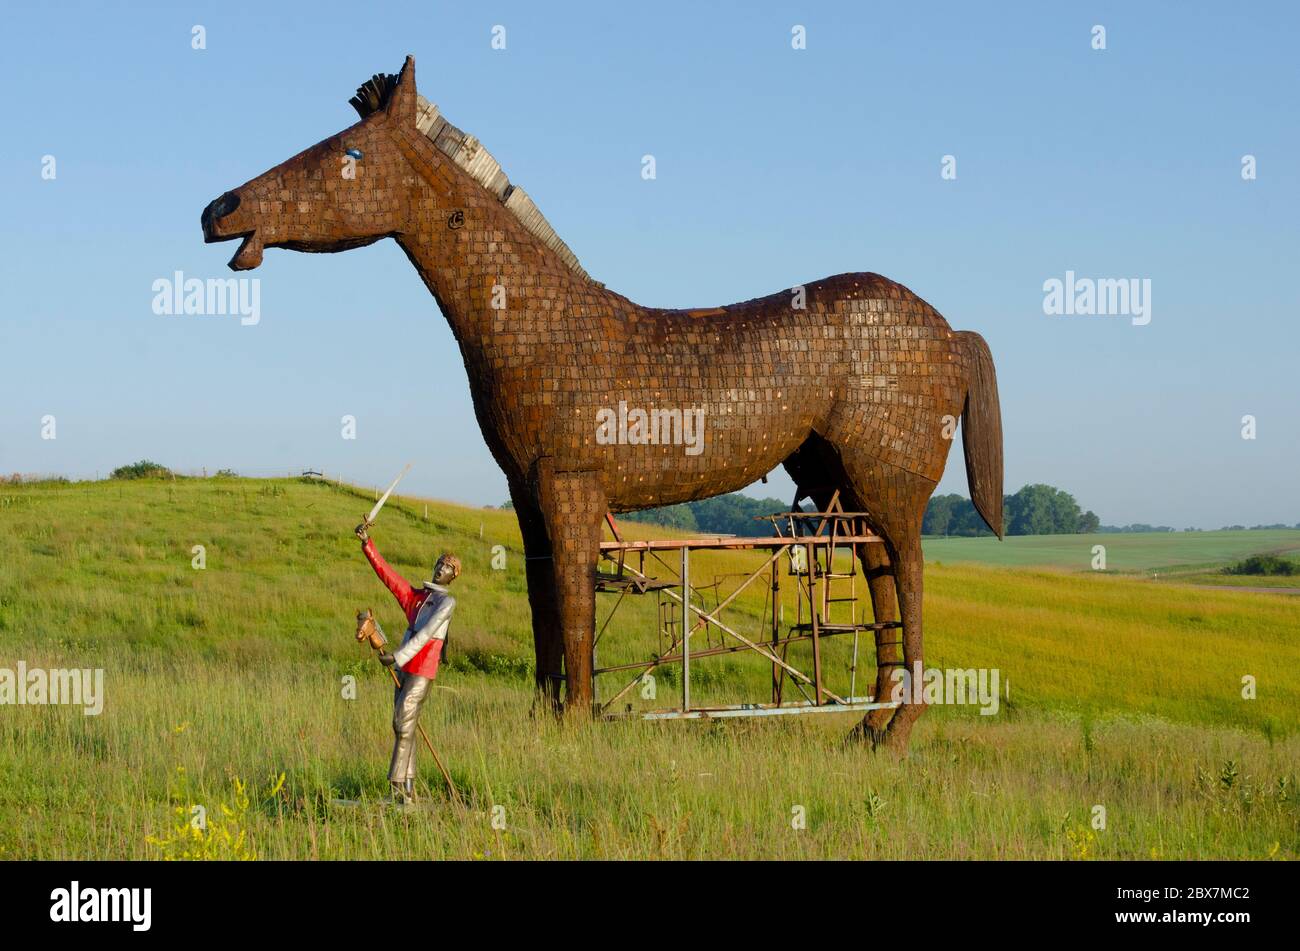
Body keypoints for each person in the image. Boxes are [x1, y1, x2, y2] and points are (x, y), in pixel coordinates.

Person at [355, 521, 459, 803]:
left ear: (453, 577)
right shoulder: (417, 598)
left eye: (448, 568)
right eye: (440, 564)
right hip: (405, 667)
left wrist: (397, 656)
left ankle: (397, 786)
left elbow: (426, 635)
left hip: (422, 670)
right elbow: (388, 576)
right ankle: (408, 792)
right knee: (407, 727)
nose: (442, 569)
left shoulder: (445, 604)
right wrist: (368, 544)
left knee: (402, 723)